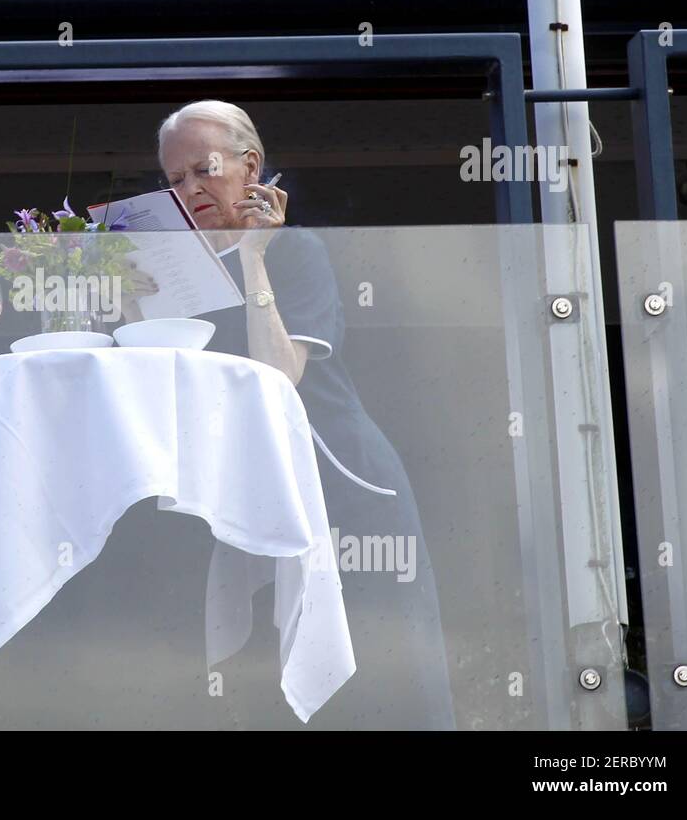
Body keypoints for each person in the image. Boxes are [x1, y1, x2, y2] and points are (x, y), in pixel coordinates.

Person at [144, 100, 456, 728]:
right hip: (252, 499)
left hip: (341, 487)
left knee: (383, 676)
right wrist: (133, 301)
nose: (190, 189)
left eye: (204, 170)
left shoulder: (296, 250)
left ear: (250, 166)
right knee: (273, 687)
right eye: (174, 180)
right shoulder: (179, 270)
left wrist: (254, 257)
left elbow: (279, 376)